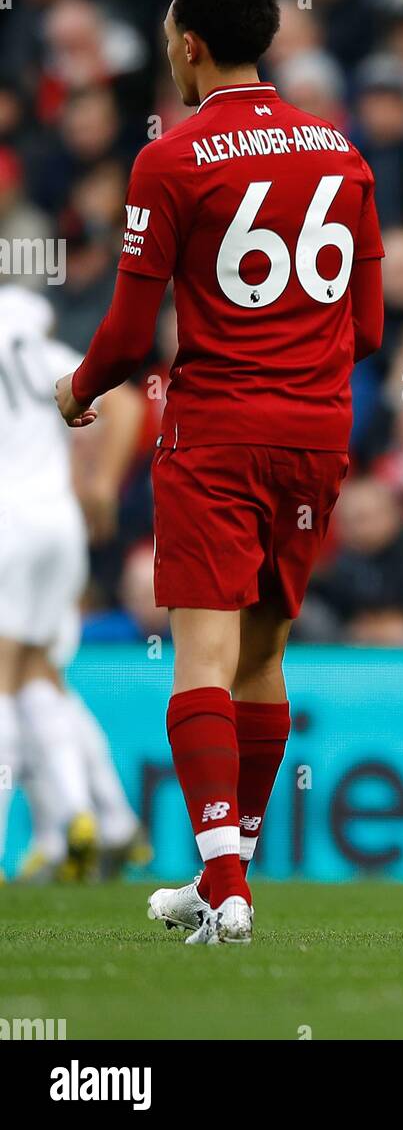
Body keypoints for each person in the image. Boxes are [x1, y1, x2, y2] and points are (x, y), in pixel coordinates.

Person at [55, 0, 384, 944]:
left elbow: (123, 333)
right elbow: (365, 327)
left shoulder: (171, 157)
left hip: (218, 431)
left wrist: (77, 390)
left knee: (201, 656)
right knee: (264, 650)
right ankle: (224, 869)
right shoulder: (343, 154)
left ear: (188, 43)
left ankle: (226, 887)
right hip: (316, 433)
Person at [0, 286, 142, 882]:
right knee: (38, 670)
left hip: (6, 523)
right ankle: (97, 818)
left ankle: (72, 824)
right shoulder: (46, 353)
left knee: (3, 679)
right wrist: (104, 483)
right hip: (59, 524)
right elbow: (130, 403)